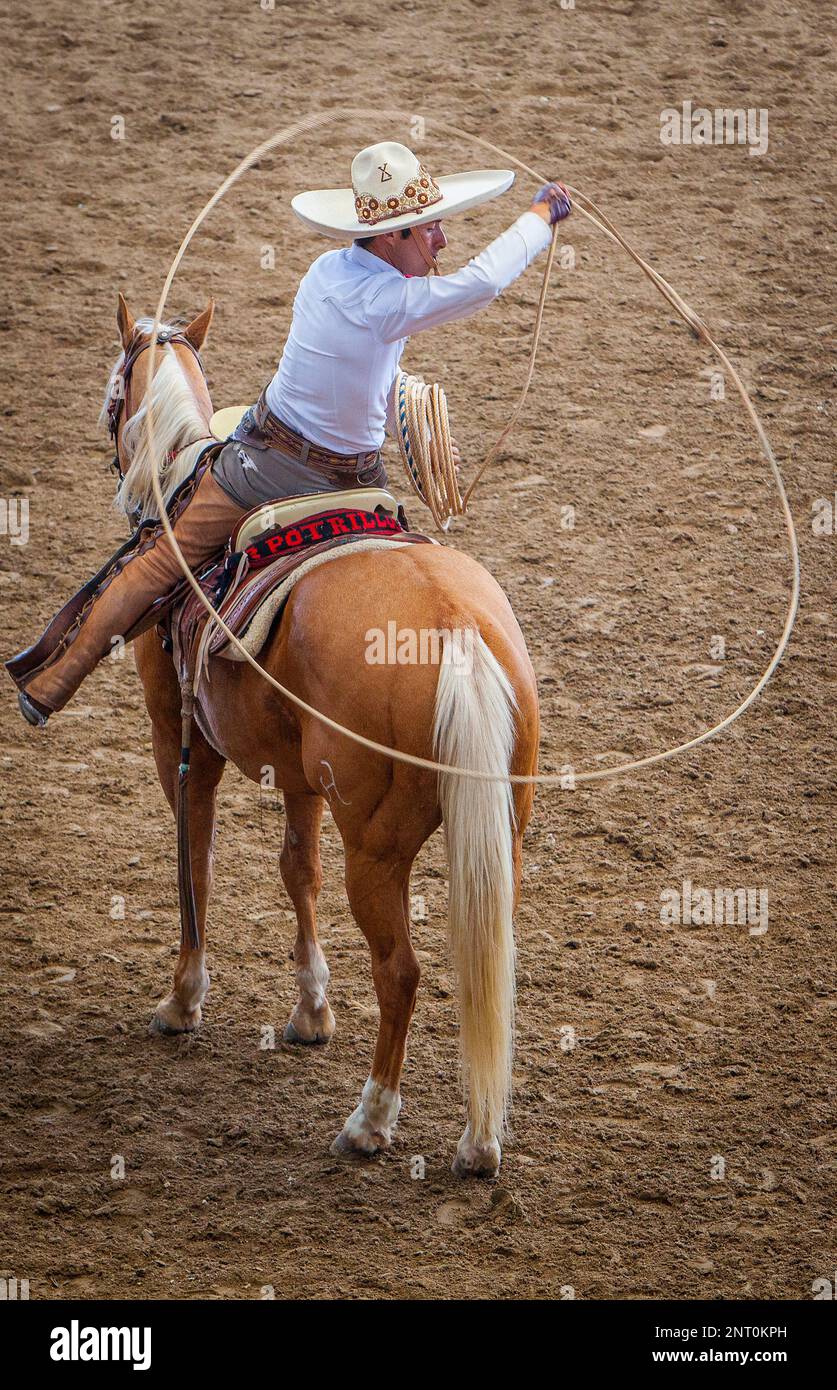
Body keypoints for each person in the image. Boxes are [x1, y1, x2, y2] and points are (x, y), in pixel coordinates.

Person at [8, 140, 571, 727]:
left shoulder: (331, 272)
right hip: (357, 475)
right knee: (165, 561)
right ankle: (60, 678)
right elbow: (480, 285)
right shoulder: (385, 299)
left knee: (161, 560)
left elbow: (347, 361)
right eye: (428, 229)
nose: (442, 241)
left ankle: (54, 681)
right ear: (389, 239)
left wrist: (394, 386)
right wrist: (538, 218)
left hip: (270, 461)